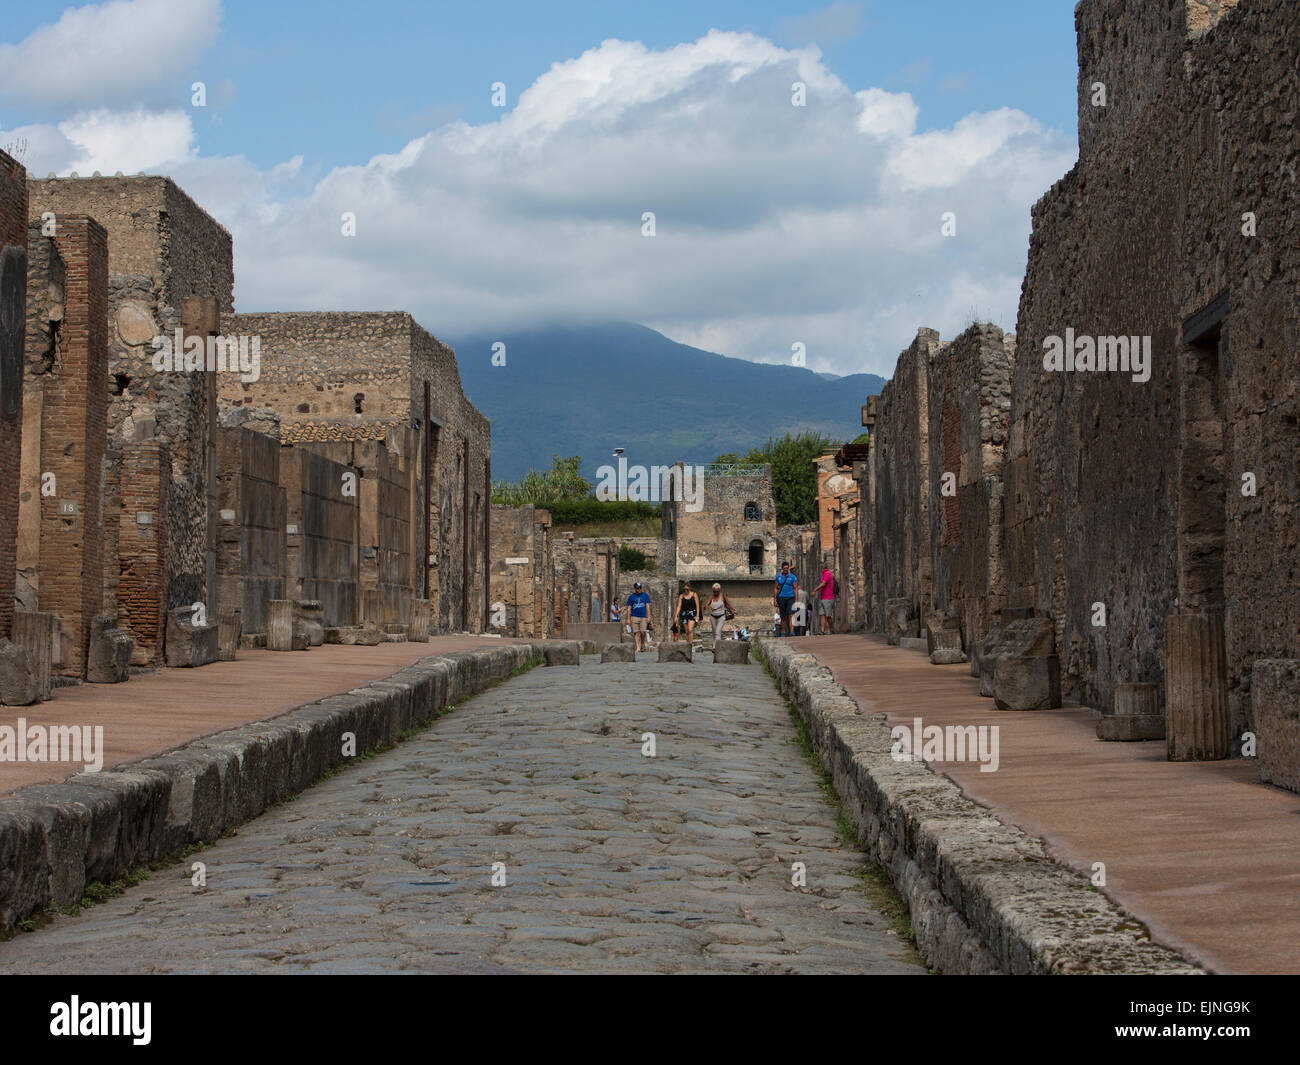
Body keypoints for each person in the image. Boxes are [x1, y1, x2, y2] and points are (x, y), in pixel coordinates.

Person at [773, 560, 799, 636]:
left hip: (790, 597)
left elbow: (795, 588)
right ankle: (783, 632)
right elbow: (775, 588)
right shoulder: (778, 577)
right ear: (782, 568)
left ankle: (792, 631)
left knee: (791, 614)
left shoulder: (792, 577)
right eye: (784, 568)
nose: (785, 570)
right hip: (781, 598)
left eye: (787, 568)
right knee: (783, 616)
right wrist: (774, 599)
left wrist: (796, 600)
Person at [705, 582, 734, 650]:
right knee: (714, 632)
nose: (715, 593)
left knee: (718, 632)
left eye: (717, 591)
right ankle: (717, 646)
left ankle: (715, 647)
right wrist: (706, 607)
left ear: (719, 590)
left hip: (721, 617)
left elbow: (728, 604)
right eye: (714, 591)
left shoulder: (722, 596)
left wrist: (734, 610)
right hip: (713, 617)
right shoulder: (711, 597)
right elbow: (707, 604)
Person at [626, 582, 651, 652]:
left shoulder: (645, 596)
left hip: (643, 616)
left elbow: (648, 606)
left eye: (640, 588)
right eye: (637, 588)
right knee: (636, 632)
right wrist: (628, 619)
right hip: (634, 616)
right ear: (635, 589)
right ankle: (638, 647)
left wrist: (649, 616)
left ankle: (642, 643)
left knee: (643, 632)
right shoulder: (631, 597)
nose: (639, 589)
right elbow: (629, 608)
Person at [815, 565, 837, 634]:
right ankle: (822, 630)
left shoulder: (827, 573)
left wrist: (815, 590)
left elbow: (823, 584)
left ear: (823, 569)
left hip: (828, 598)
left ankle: (832, 629)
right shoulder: (824, 574)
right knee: (822, 614)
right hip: (823, 598)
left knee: (828, 616)